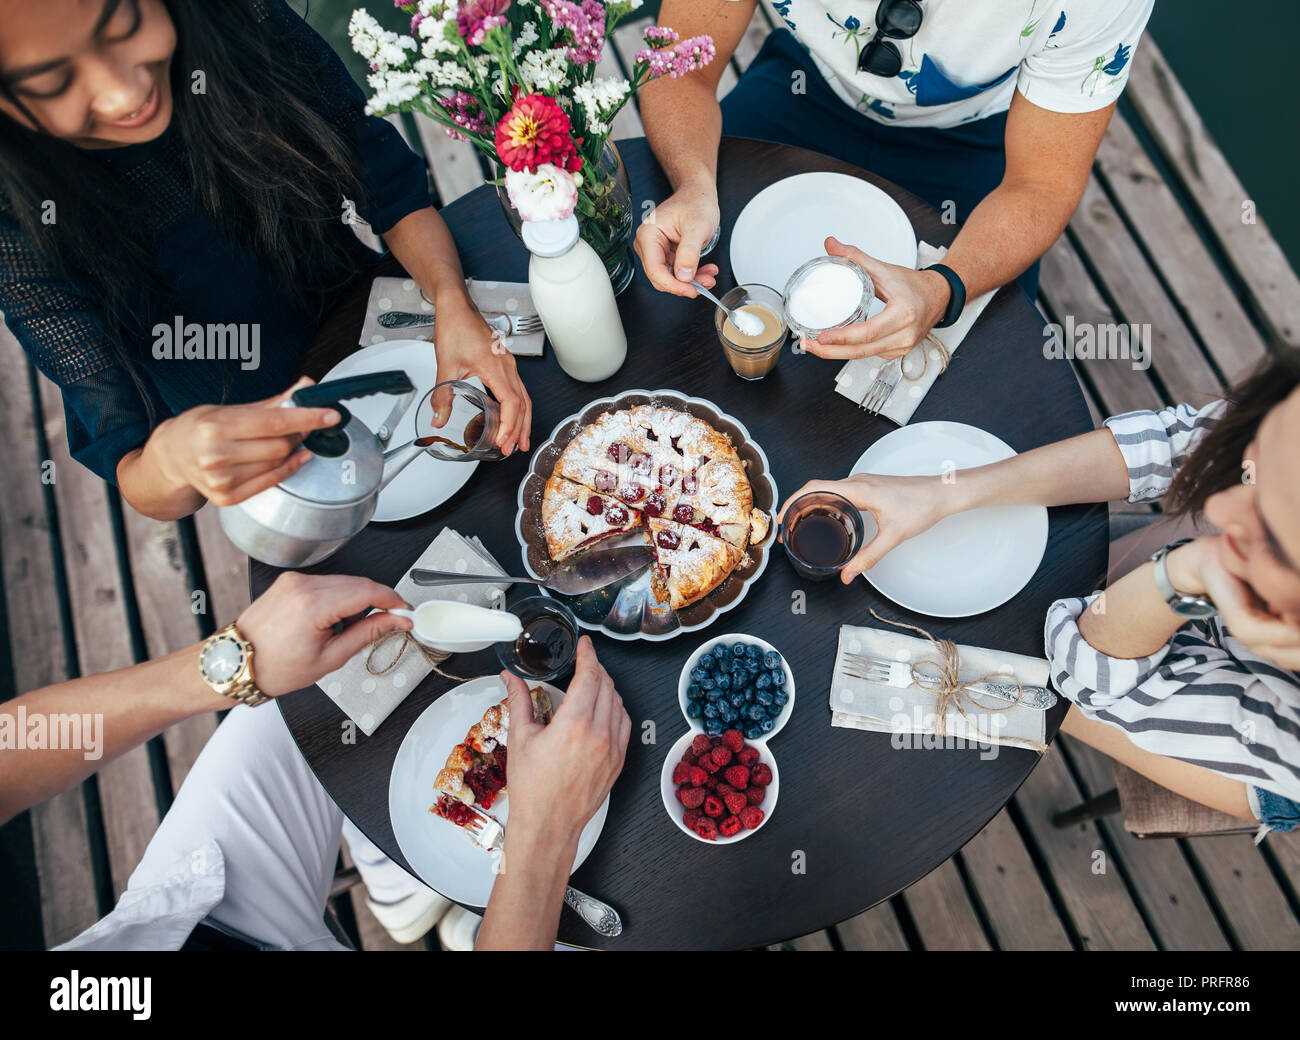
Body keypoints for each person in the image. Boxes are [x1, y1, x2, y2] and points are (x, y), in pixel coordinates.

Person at [0, 0, 532, 521]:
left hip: (370, 317)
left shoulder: (240, 20)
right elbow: (136, 471)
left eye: (122, 22)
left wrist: (449, 298)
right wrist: (177, 458)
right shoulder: (17, 230)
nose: (124, 93)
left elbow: (392, 192)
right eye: (53, 83)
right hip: (275, 465)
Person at [777, 353, 1300, 835]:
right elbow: (1171, 446)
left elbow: (1087, 669)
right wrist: (943, 492)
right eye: (1252, 468)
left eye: (1272, 533)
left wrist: (1188, 571)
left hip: (1257, 744)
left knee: (998, 675)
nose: (1220, 508)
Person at [0, 572, 629, 950]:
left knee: (328, 701)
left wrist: (233, 663)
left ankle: (396, 893)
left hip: (186, 916)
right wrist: (540, 838)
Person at [634, 0, 1153, 361]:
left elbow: (1041, 183)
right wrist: (695, 182)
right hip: (802, 86)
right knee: (671, 310)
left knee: (975, 366)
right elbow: (680, 66)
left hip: (975, 139)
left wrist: (943, 288)